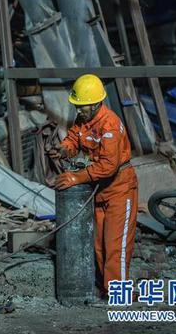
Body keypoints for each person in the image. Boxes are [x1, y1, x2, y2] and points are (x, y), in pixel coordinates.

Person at [48, 74, 138, 297]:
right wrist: (64, 149)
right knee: (98, 244)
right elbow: (74, 139)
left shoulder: (110, 125)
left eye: (83, 106)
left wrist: (76, 178)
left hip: (120, 189)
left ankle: (119, 292)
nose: (79, 110)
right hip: (98, 191)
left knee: (116, 244)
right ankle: (106, 288)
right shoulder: (83, 120)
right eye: (77, 106)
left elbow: (108, 165)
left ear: (97, 103)